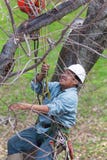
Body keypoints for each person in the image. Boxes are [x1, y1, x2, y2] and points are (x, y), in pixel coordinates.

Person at [7, 63, 86, 160]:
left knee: (42, 158)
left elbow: (51, 109)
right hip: (40, 128)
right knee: (14, 143)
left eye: (69, 74)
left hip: (56, 134)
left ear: (75, 81)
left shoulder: (71, 97)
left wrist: (26, 106)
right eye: (64, 72)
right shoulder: (55, 86)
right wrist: (42, 74)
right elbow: (37, 87)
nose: (63, 75)